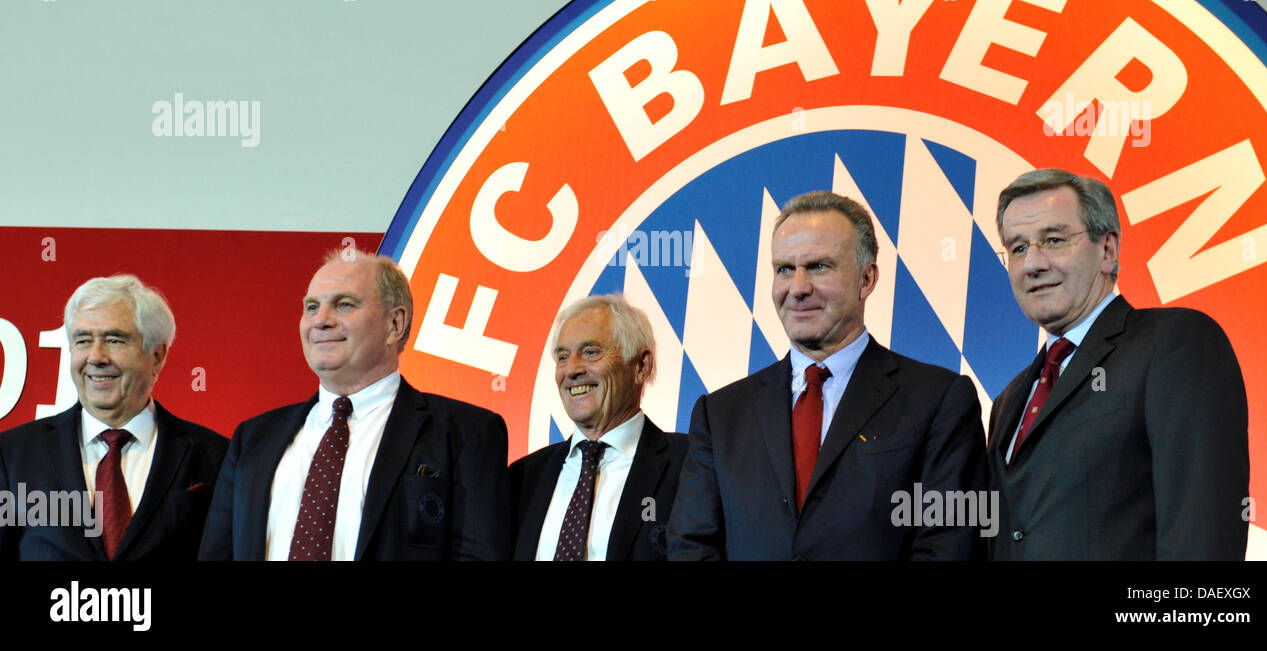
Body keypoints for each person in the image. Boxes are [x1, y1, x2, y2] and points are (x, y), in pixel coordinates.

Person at [668, 191, 988, 560]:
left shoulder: (940, 399)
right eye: (784, 269)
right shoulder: (719, 414)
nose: (798, 287)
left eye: (819, 266)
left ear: (866, 280)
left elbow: (950, 546)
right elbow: (690, 547)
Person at [988, 169, 1248, 560]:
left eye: (1054, 240)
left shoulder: (1175, 343)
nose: (1032, 264)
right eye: (1018, 248)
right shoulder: (1009, 401)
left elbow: (1202, 533)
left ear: (1108, 250)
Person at [199, 250, 509, 560]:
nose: (321, 320)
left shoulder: (466, 433)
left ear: (395, 323)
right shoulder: (253, 439)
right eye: (311, 307)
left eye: (344, 304)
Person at [0, 275, 228, 561]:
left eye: (114, 340)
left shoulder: (217, 456)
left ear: (156, 356)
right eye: (83, 341)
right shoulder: (13, 454)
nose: (96, 357)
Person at [509, 295, 687, 561]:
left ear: (641, 366)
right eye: (562, 357)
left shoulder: (692, 464)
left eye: (590, 352)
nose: (571, 370)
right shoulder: (522, 478)